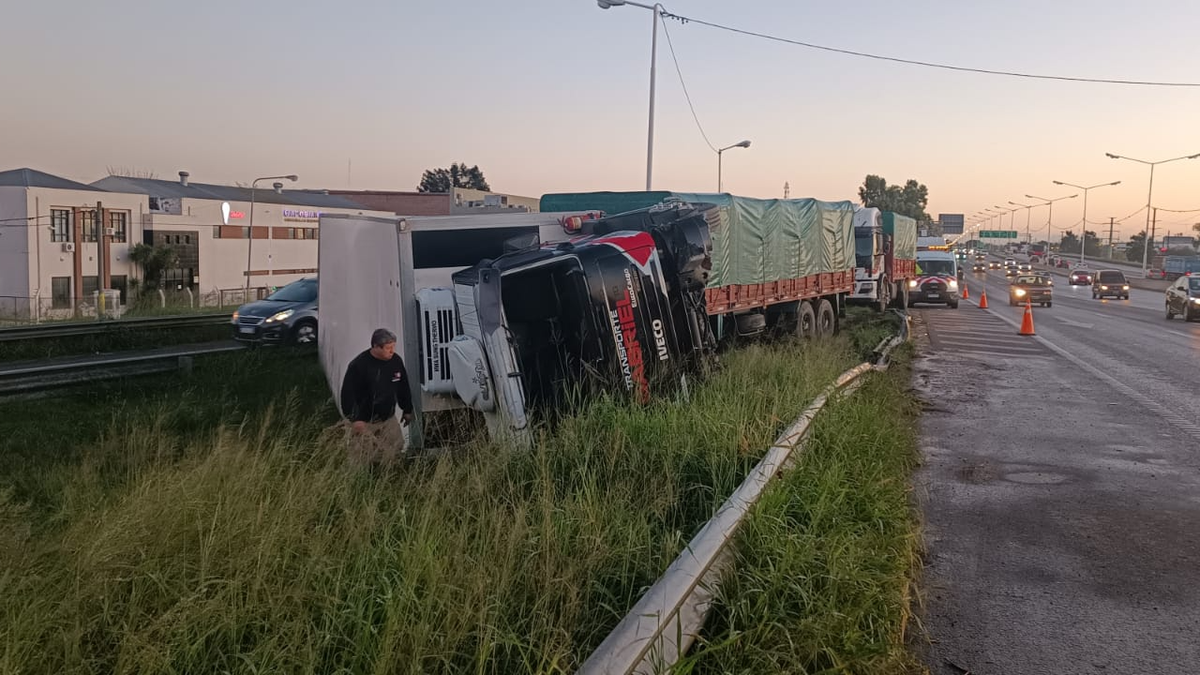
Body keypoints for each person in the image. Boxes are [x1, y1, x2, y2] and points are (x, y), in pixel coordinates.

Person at [340, 328, 414, 467]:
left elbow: (403, 386)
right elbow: (348, 395)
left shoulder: (396, 361)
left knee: (396, 449)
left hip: (387, 418)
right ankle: (363, 477)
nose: (392, 351)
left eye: (393, 347)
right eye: (388, 348)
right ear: (375, 347)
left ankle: (389, 474)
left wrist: (407, 409)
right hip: (364, 421)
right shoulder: (358, 365)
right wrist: (355, 419)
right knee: (362, 456)